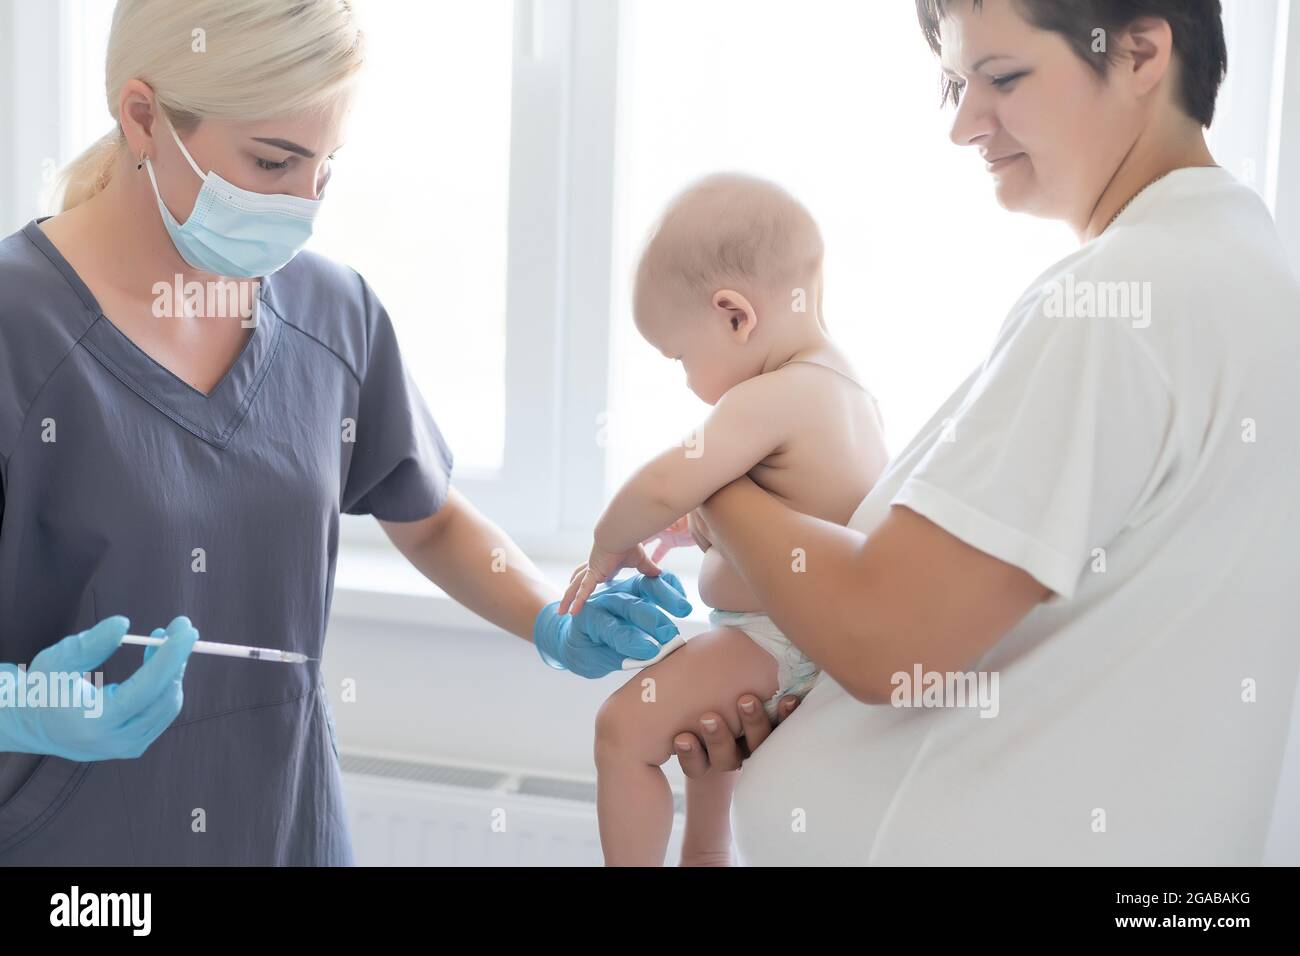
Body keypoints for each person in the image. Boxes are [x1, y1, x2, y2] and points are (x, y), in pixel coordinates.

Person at [0, 0, 686, 865]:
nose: (303, 208)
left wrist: (551, 616)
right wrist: (19, 706)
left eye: (325, 171)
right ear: (143, 117)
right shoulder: (16, 327)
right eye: (273, 162)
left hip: (290, 831)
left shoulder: (334, 315)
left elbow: (428, 514)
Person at [671, 0, 1300, 864]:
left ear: (1142, 52)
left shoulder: (1121, 301)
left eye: (1002, 78)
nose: (965, 124)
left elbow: (888, 637)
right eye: (956, 85)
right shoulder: (1240, 270)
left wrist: (715, 479)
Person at [561, 173, 888, 865]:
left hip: (776, 644)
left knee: (622, 731)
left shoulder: (772, 394)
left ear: (735, 316)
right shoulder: (847, 390)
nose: (685, 380)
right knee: (704, 752)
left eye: (680, 356)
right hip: (804, 647)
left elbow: (661, 481)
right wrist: (700, 530)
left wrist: (605, 545)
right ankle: (702, 855)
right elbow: (792, 514)